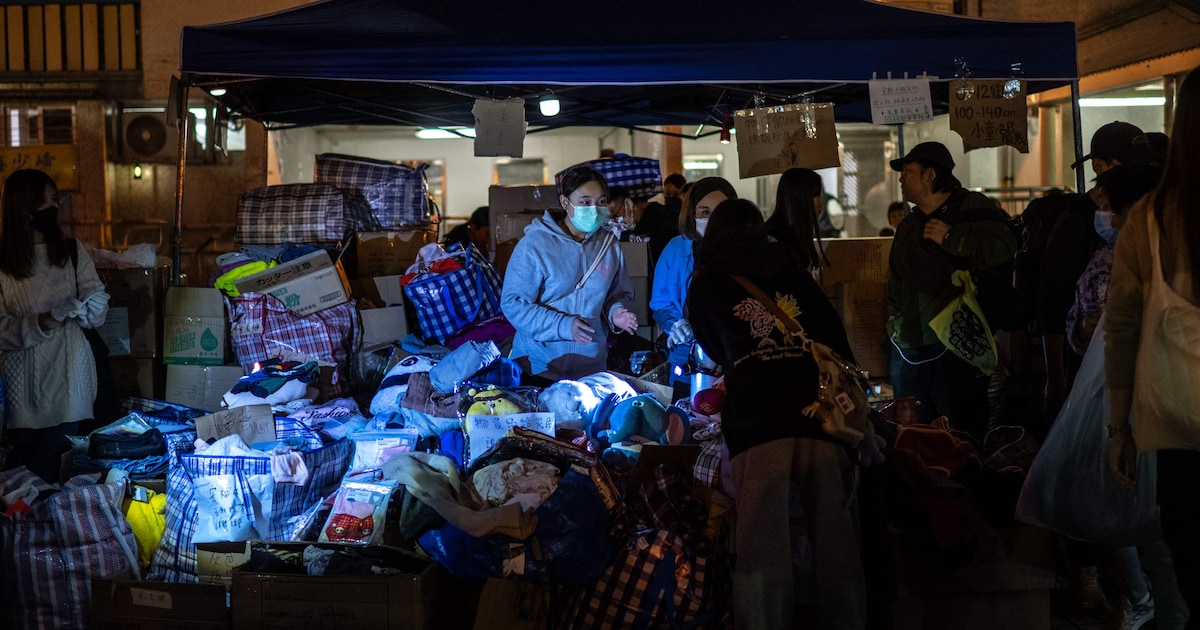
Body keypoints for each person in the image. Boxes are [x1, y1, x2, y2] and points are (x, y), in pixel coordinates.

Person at [688, 198, 865, 630]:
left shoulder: (709, 281)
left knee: (762, 547)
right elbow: (834, 335)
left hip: (759, 420)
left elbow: (712, 349)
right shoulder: (790, 267)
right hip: (819, 415)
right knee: (834, 537)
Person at [1108, 64, 1200, 623]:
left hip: (1179, 429)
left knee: (1192, 567)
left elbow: (1120, 330)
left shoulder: (1149, 218)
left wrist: (1120, 428)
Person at [886, 141, 1017, 439]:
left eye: (908, 171)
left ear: (930, 175)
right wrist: (894, 324)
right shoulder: (908, 225)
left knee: (961, 431)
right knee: (914, 434)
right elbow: (895, 281)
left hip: (959, 346)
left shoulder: (974, 208)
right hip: (910, 347)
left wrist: (951, 238)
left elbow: (1005, 249)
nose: (901, 179)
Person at [0, 169, 109, 483]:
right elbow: (2, 329)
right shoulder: (4, 262)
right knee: (26, 476)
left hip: (72, 380)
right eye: (45, 202)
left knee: (61, 472)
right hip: (23, 389)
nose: (53, 208)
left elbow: (94, 307)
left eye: (55, 200)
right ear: (24, 209)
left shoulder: (72, 252)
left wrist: (95, 306)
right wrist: (46, 319)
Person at [1040, 121, 1149, 418]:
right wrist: (1056, 377)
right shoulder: (1075, 221)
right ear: (1100, 167)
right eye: (1128, 168)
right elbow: (1054, 300)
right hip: (1085, 371)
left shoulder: (1149, 218)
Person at [501, 165, 637, 381]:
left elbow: (617, 293)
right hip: (538, 367)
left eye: (601, 202)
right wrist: (563, 326)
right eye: (585, 202)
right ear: (566, 203)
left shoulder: (609, 245)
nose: (594, 209)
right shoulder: (535, 245)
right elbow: (513, 303)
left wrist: (616, 312)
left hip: (591, 370)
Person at [649, 176, 737, 397]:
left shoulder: (745, 251)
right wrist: (676, 326)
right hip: (686, 358)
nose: (712, 218)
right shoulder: (676, 248)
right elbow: (661, 303)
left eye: (720, 211)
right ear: (691, 213)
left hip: (734, 357)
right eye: (704, 212)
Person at [765, 168, 827, 272]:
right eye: (816, 195)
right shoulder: (774, 241)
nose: (822, 201)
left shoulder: (798, 232)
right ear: (799, 197)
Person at [632, 173, 687, 261]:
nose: (671, 198)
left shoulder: (686, 217)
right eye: (668, 194)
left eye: (676, 194)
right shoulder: (655, 212)